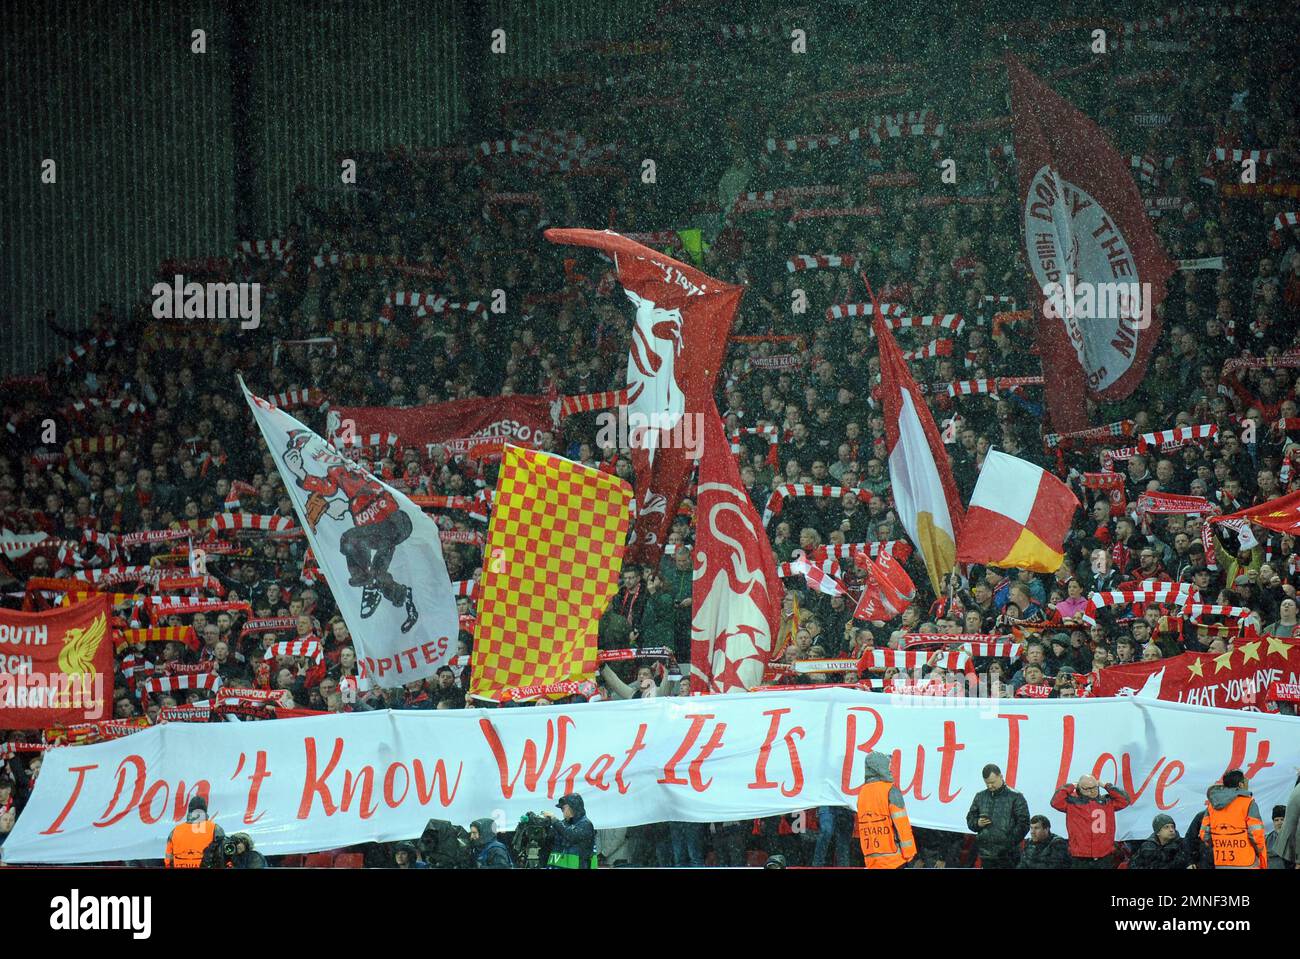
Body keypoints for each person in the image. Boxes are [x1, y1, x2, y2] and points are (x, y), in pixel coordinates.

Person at [1050, 774, 1131, 868]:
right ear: (1079, 789)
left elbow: (1125, 800)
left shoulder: (1107, 802)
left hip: (1104, 856)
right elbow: (1055, 802)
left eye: (1094, 787)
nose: (1092, 791)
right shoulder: (1071, 804)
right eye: (1087, 789)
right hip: (1080, 857)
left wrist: (1106, 786)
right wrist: (1071, 786)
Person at [855, 752, 916, 869]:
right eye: (888, 766)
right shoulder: (890, 790)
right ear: (880, 767)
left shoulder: (862, 793)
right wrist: (909, 855)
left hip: (872, 861)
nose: (890, 769)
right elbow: (902, 826)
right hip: (894, 861)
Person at [1199, 769, 1269, 869]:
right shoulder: (1248, 802)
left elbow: (1204, 835)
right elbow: (1256, 835)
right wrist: (1259, 852)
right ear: (1240, 785)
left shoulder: (1212, 806)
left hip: (1221, 863)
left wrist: (1221, 843)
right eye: (1245, 782)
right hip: (1247, 862)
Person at [965, 763, 1030, 868]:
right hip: (986, 854)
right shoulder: (980, 796)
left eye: (992, 782)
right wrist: (977, 823)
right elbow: (970, 819)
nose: (990, 786)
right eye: (987, 784)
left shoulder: (1016, 797)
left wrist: (1008, 843)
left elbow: (1024, 823)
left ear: (1000, 776)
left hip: (1009, 855)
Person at [164, 795, 224, 869]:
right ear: (205, 810)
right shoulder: (215, 829)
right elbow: (222, 857)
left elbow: (168, 859)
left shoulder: (175, 831)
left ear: (189, 811)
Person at [543, 792, 596, 869]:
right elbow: (551, 841)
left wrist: (554, 820)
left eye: (563, 808)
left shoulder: (586, 824)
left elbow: (571, 836)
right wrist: (545, 827)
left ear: (572, 807)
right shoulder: (564, 824)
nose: (562, 811)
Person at [1265, 805, 1289, 870]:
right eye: (1276, 820)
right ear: (1273, 822)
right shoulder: (1267, 839)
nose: (1279, 823)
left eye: (1282, 819)